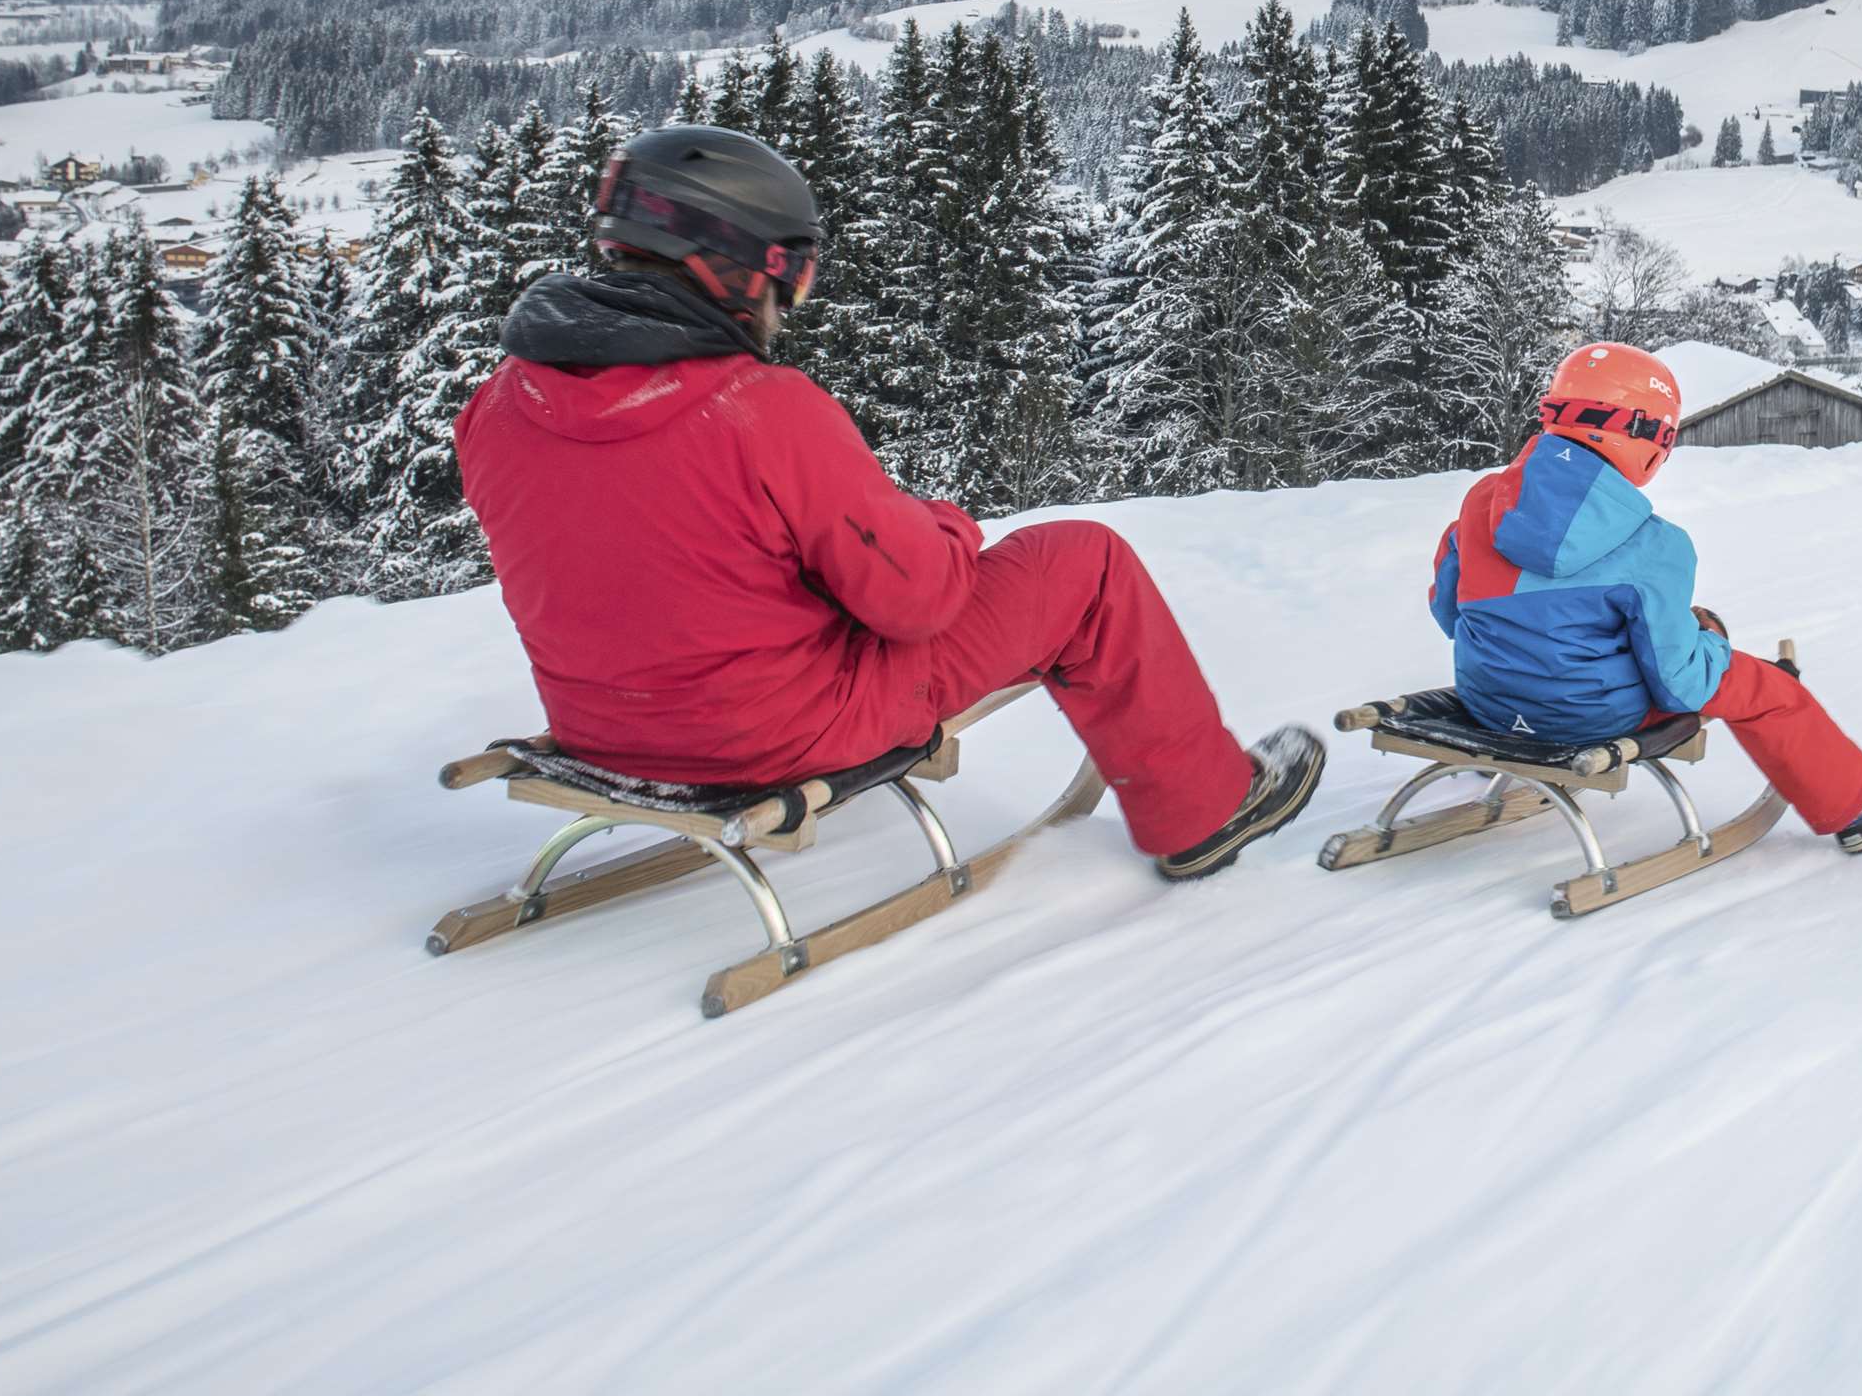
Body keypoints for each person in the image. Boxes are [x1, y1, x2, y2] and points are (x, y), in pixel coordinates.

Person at [455, 124, 1320, 879]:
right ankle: (1204, 812)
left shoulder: (497, 406)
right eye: (788, 278)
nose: (784, 308)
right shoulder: (757, 409)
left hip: (599, 731)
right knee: (1085, 565)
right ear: (731, 266)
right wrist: (946, 525)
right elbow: (919, 601)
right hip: (777, 734)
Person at [1428, 342, 1862, 850]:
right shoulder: (1656, 545)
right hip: (1588, 722)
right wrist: (1713, 641)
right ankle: (1855, 802)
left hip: (1488, 704)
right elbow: (1680, 686)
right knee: (1765, 688)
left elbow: (1448, 612)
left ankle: (1511, 739)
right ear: (1648, 438)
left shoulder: (1481, 503)